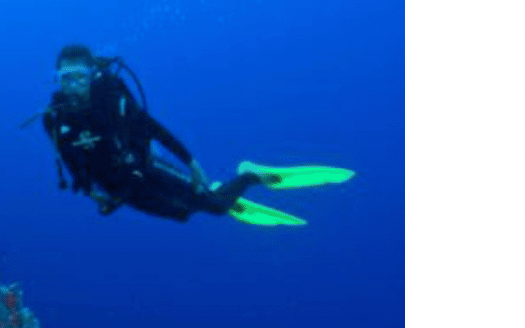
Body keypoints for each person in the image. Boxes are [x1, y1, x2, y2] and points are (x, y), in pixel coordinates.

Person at [37, 44, 353, 225]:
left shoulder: (112, 101)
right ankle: (209, 193)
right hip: (121, 188)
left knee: (214, 208)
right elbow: (71, 162)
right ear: (57, 80)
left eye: (79, 77)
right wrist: (94, 192)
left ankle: (250, 174)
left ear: (92, 76)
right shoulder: (54, 119)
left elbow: (152, 128)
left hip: (144, 166)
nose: (73, 86)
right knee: (182, 214)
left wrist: (191, 162)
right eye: (66, 78)